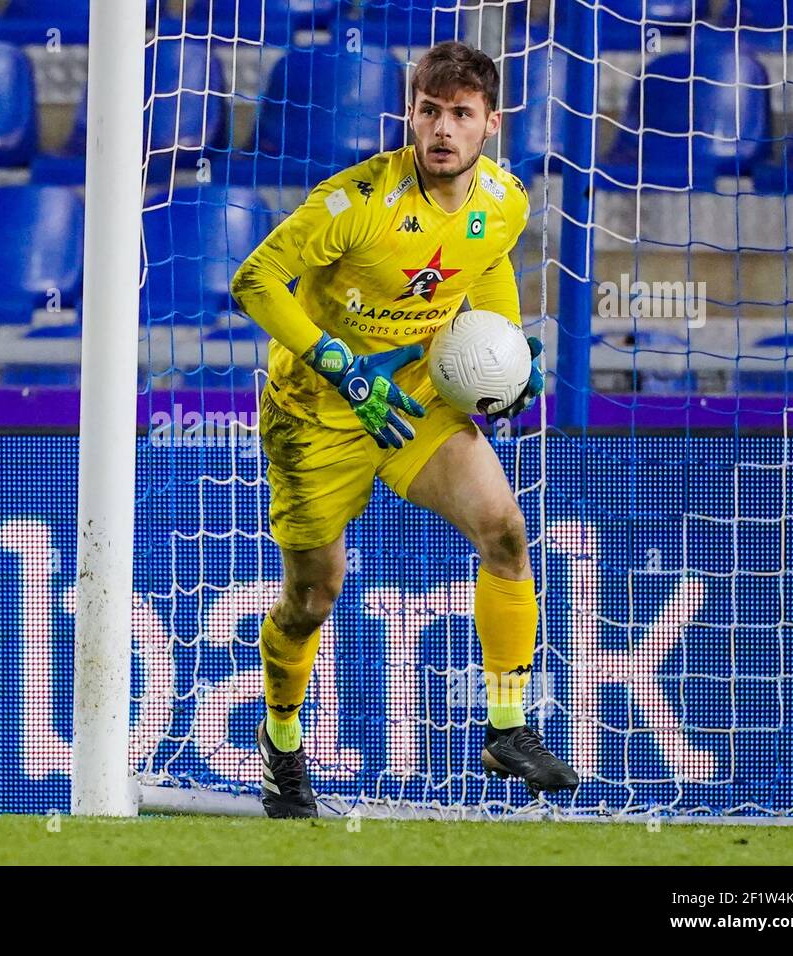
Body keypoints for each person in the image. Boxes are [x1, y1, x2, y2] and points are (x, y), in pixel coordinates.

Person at [230, 40, 579, 818]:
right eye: (430, 111)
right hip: (317, 414)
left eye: (460, 114)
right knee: (312, 598)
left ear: (491, 123)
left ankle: (507, 725)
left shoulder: (506, 200)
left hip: (413, 401)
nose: (443, 130)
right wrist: (340, 365)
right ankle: (282, 745)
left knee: (506, 533)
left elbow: (485, 262)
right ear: (409, 116)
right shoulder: (354, 205)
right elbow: (253, 280)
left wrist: (509, 354)